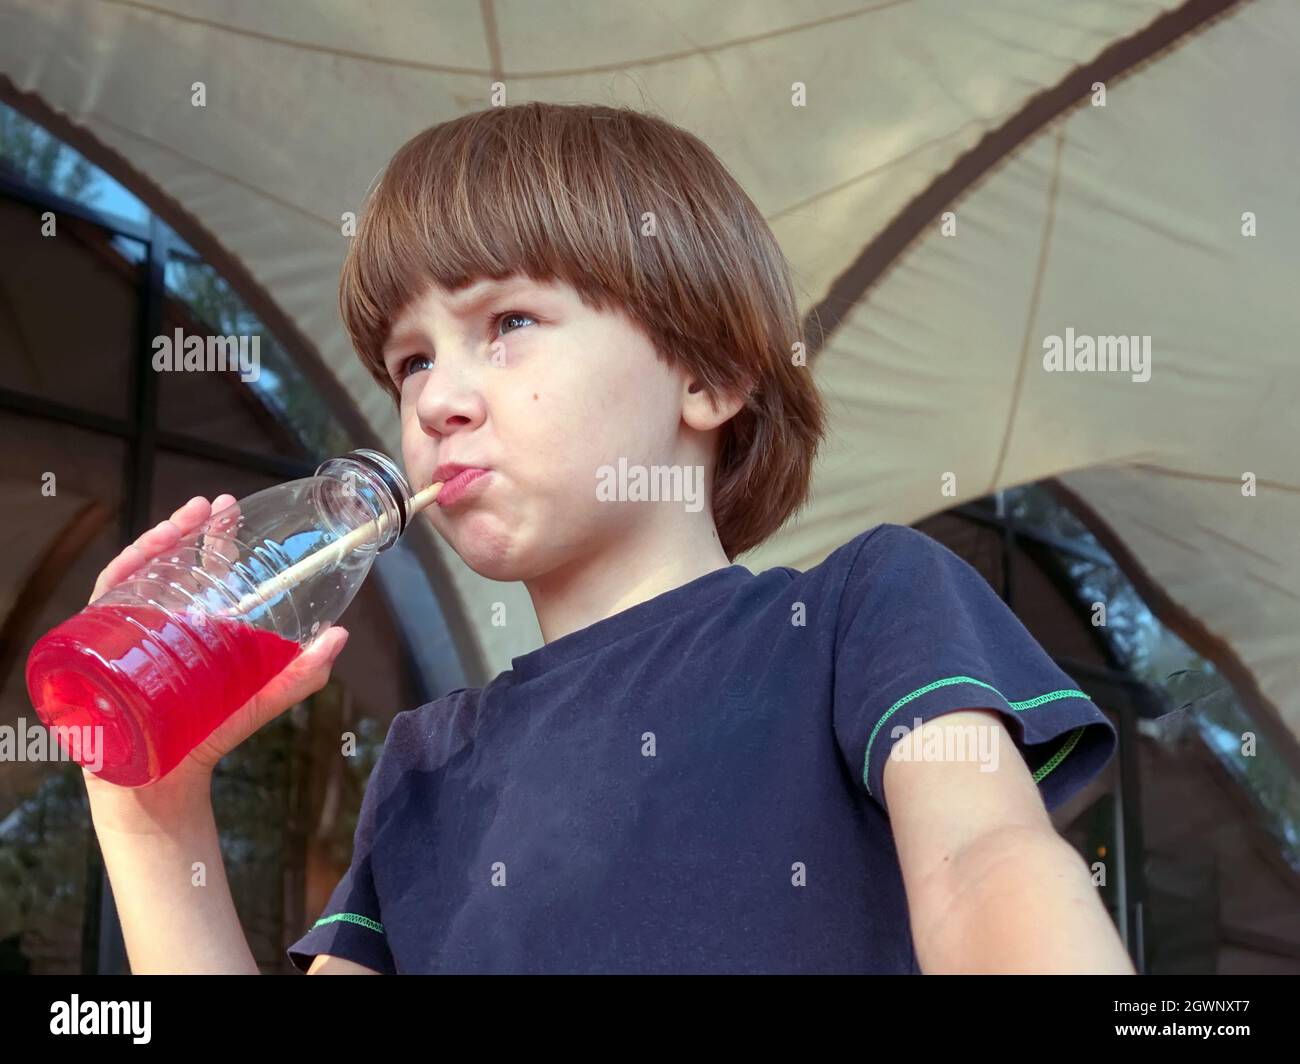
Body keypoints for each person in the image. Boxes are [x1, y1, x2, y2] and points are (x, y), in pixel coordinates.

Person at [83, 102, 1132, 974]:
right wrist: (149, 816)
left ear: (705, 375)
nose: (439, 395)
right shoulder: (423, 767)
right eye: (409, 361)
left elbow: (984, 866)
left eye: (507, 324)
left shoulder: (862, 608)